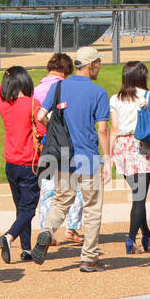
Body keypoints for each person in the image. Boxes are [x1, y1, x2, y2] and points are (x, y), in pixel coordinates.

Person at [30, 47, 112, 272]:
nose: (100, 68)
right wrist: (108, 159)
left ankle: (47, 231)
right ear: (91, 65)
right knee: (92, 208)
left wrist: (52, 132)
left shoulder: (58, 87)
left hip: (64, 156)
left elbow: (40, 116)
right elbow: (103, 130)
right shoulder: (99, 93)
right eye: (99, 64)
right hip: (88, 157)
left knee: (61, 200)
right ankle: (88, 258)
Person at [109, 61, 150, 254]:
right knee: (139, 198)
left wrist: (109, 155)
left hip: (122, 148)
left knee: (137, 195)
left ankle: (147, 237)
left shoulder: (115, 99)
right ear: (142, 76)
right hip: (141, 147)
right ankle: (131, 239)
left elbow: (114, 128)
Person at [33, 53, 83, 244]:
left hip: (46, 144)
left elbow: (37, 116)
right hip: (66, 145)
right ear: (65, 70)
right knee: (73, 188)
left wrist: (47, 127)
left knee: (47, 190)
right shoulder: (64, 87)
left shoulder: (36, 89)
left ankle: (47, 232)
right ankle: (71, 228)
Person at [0, 65, 44, 264]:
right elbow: (41, 131)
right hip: (29, 163)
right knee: (29, 209)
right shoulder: (34, 104)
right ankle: (9, 237)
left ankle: (26, 248)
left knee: (21, 208)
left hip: (11, 164)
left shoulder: (4, 105)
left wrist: (6, 82)